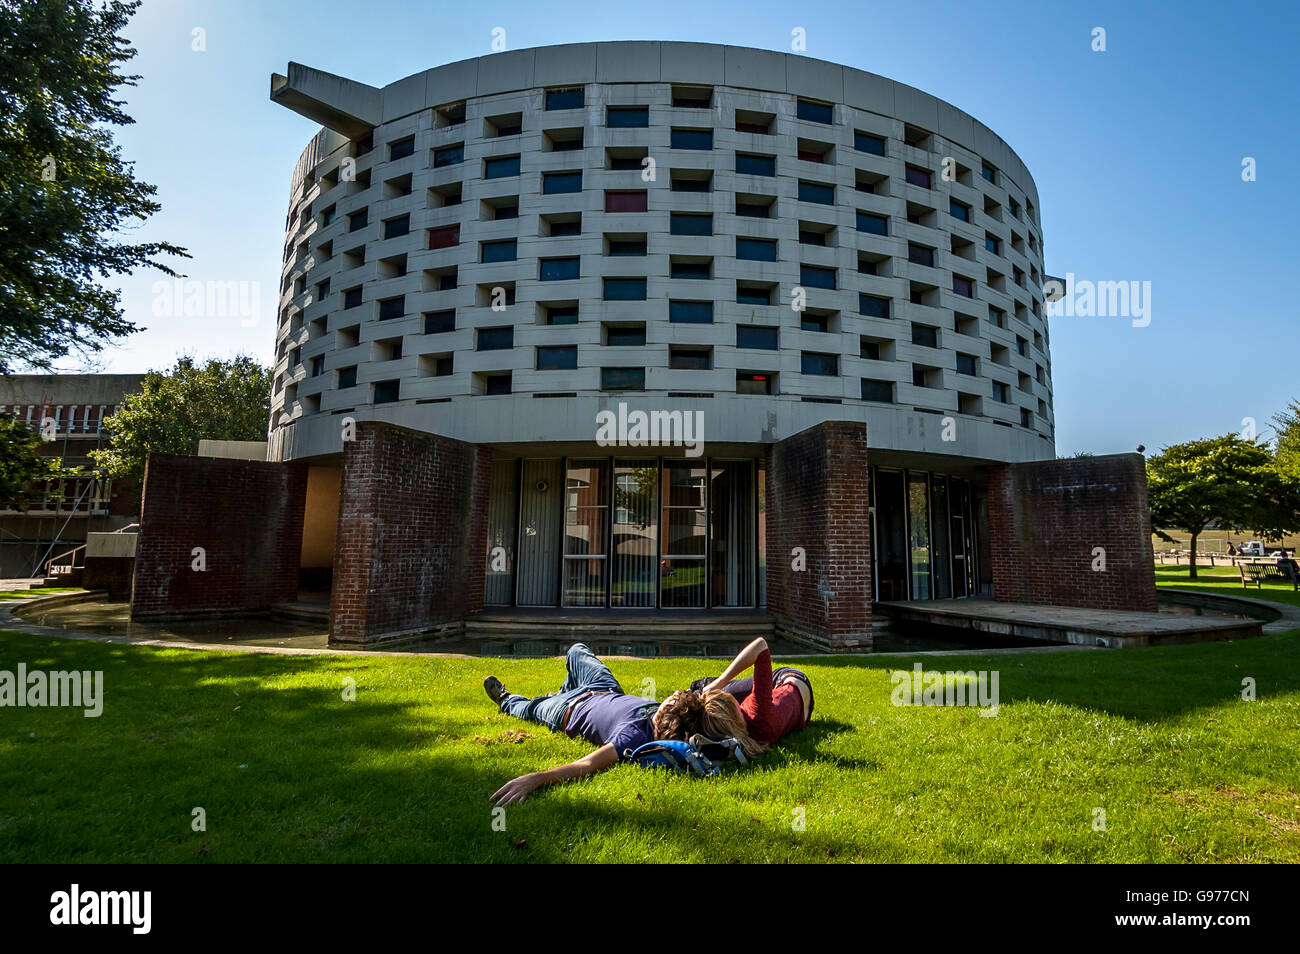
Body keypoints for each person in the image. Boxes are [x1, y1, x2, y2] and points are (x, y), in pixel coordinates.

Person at [484, 643, 704, 805]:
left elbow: (587, 765)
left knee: (530, 708)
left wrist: (536, 779)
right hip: (604, 687)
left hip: (569, 709)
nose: (668, 696)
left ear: (661, 717)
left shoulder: (632, 736)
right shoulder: (683, 716)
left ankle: (505, 699)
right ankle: (565, 688)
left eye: (669, 700)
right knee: (576, 650)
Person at [687, 636, 814, 753]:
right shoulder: (757, 713)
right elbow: (760, 645)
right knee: (716, 689)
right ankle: (699, 689)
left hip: (801, 712)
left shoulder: (731, 731)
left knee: (705, 703)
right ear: (733, 709)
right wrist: (718, 684)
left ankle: (691, 693)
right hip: (790, 679)